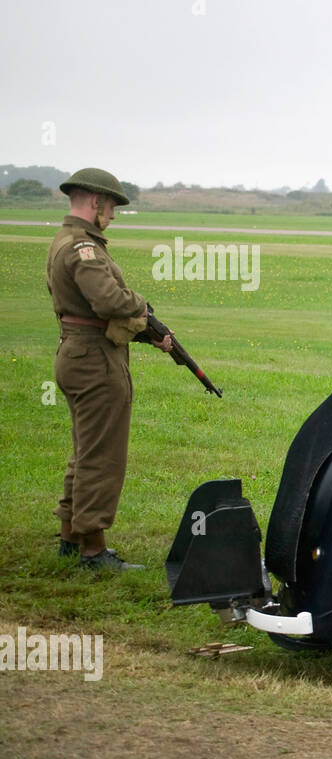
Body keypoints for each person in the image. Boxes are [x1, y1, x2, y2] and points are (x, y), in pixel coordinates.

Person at [47, 168, 172, 571]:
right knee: (103, 457)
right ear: (95, 202)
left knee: (85, 450)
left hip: (77, 352)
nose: (114, 215)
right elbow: (108, 301)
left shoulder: (65, 240)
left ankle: (71, 536)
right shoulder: (82, 247)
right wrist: (140, 307)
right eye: (112, 206)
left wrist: (141, 330)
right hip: (94, 360)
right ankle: (94, 551)